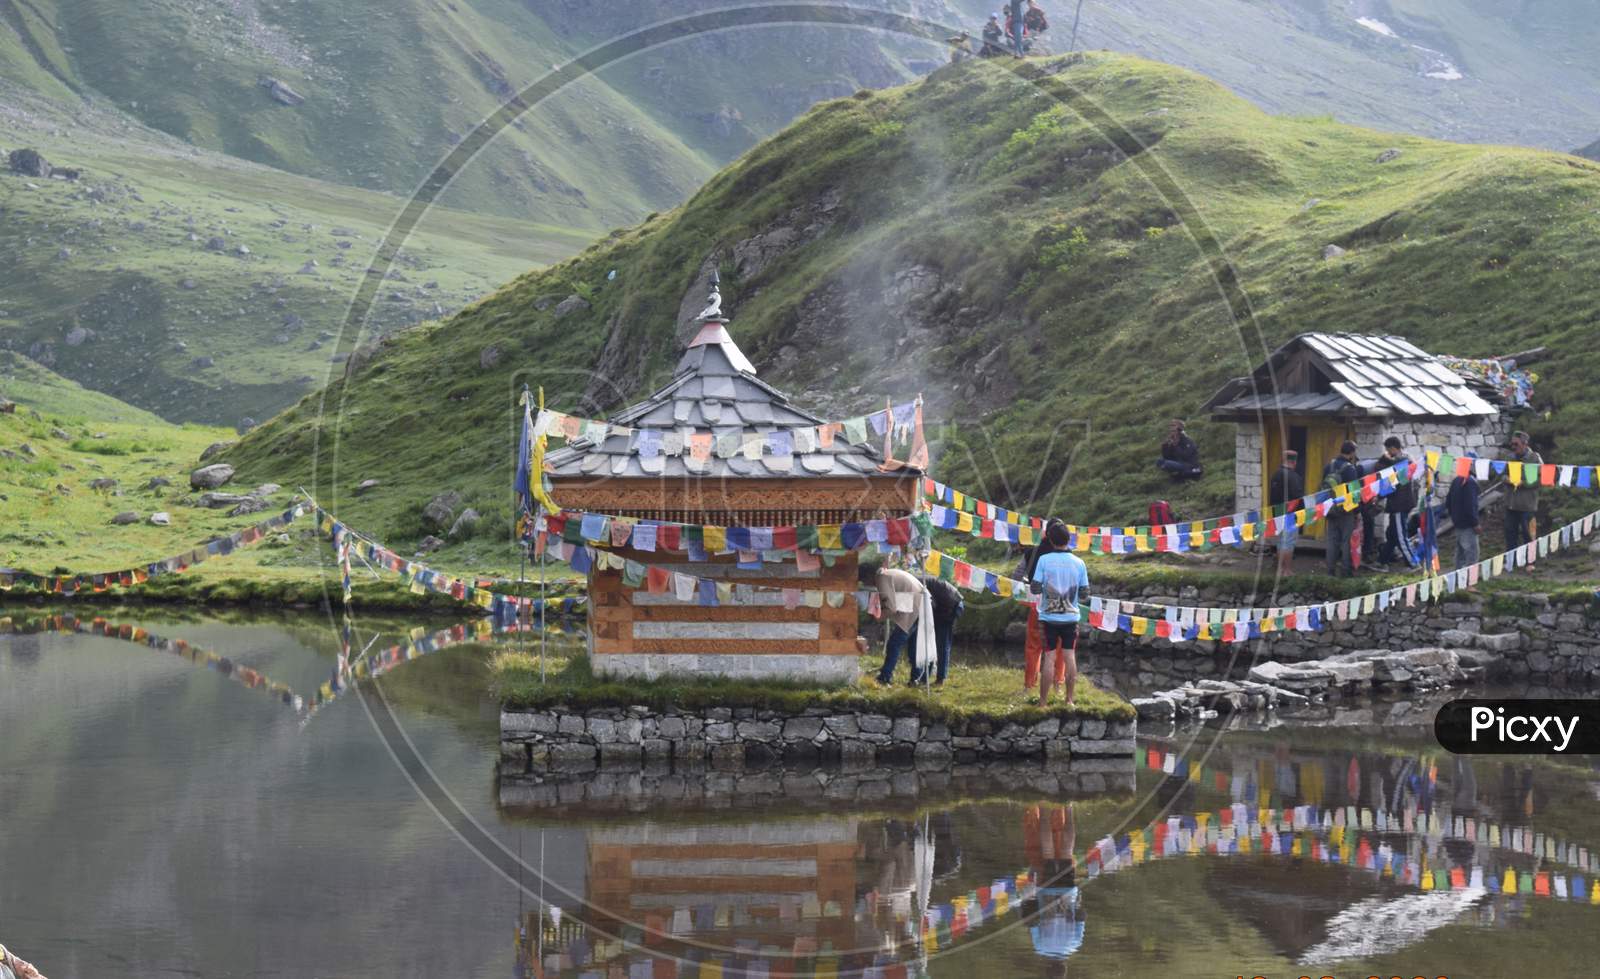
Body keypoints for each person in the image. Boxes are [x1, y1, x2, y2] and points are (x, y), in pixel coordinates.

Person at [1030, 521, 1088, 706]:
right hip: (1071, 617)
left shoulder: (1044, 560)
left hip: (1049, 617)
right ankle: (1069, 700)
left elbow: (1035, 588)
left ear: (1050, 540)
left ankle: (1043, 702)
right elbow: (1085, 593)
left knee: (1050, 657)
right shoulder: (1079, 563)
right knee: (1070, 656)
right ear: (1068, 539)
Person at [1016, 517, 1065, 695]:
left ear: (1045, 532)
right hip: (1061, 607)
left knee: (1033, 646)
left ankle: (1029, 686)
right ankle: (1058, 684)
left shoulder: (1031, 552)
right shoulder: (1068, 555)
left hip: (1037, 605)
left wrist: (1025, 589)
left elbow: (1017, 574)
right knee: (1059, 646)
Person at [863, 562, 930, 686]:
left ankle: (885, 678)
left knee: (894, 644)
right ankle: (917, 679)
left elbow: (891, 608)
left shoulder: (881, 578)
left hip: (915, 605)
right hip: (919, 603)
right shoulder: (886, 573)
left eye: (864, 581)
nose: (866, 584)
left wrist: (879, 618)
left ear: (868, 576)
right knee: (913, 646)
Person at [1322, 441, 1361, 577]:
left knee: (1332, 540)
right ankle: (1346, 571)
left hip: (1330, 508)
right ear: (1351, 453)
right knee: (1346, 541)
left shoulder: (1329, 466)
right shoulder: (1350, 469)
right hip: (1345, 510)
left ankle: (1330, 571)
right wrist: (1357, 512)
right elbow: (1354, 493)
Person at [918, 572, 964, 686]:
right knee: (929, 643)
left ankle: (940, 679)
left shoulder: (916, 585)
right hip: (940, 606)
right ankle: (925, 678)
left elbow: (931, 604)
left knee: (941, 644)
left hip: (951, 606)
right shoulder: (914, 581)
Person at [1378, 436, 1416, 568]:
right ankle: (1383, 561)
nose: (1387, 453)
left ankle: (1413, 564)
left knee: (1400, 536)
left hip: (1399, 504)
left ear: (1393, 448)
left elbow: (1386, 470)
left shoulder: (1400, 461)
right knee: (1392, 534)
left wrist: (1383, 459)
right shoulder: (1407, 458)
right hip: (1401, 503)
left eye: (1388, 450)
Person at [1267, 449, 1304, 576]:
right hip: (1290, 514)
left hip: (1277, 513)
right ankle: (1287, 570)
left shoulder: (1275, 474)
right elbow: (1298, 498)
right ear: (1294, 462)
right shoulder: (1294, 477)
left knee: (1280, 542)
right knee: (1288, 543)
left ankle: (1279, 570)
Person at [1505, 430, 1542, 551]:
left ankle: (1530, 562)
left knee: (1529, 535)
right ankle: (1511, 562)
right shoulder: (1510, 457)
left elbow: (1541, 479)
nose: (1513, 447)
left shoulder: (1534, 458)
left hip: (1527, 505)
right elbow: (1500, 474)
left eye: (1516, 444)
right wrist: (1507, 479)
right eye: (1512, 444)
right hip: (1511, 504)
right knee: (1510, 534)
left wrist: (1524, 483)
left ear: (1525, 444)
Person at [1446, 451, 1481, 571]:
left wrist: (1454, 517)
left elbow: (1448, 502)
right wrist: (1475, 523)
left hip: (1458, 522)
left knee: (1460, 553)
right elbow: (1470, 505)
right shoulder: (1470, 482)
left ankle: (1456, 578)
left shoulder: (1456, 480)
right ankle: (1469, 582)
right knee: (1471, 554)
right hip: (1468, 524)